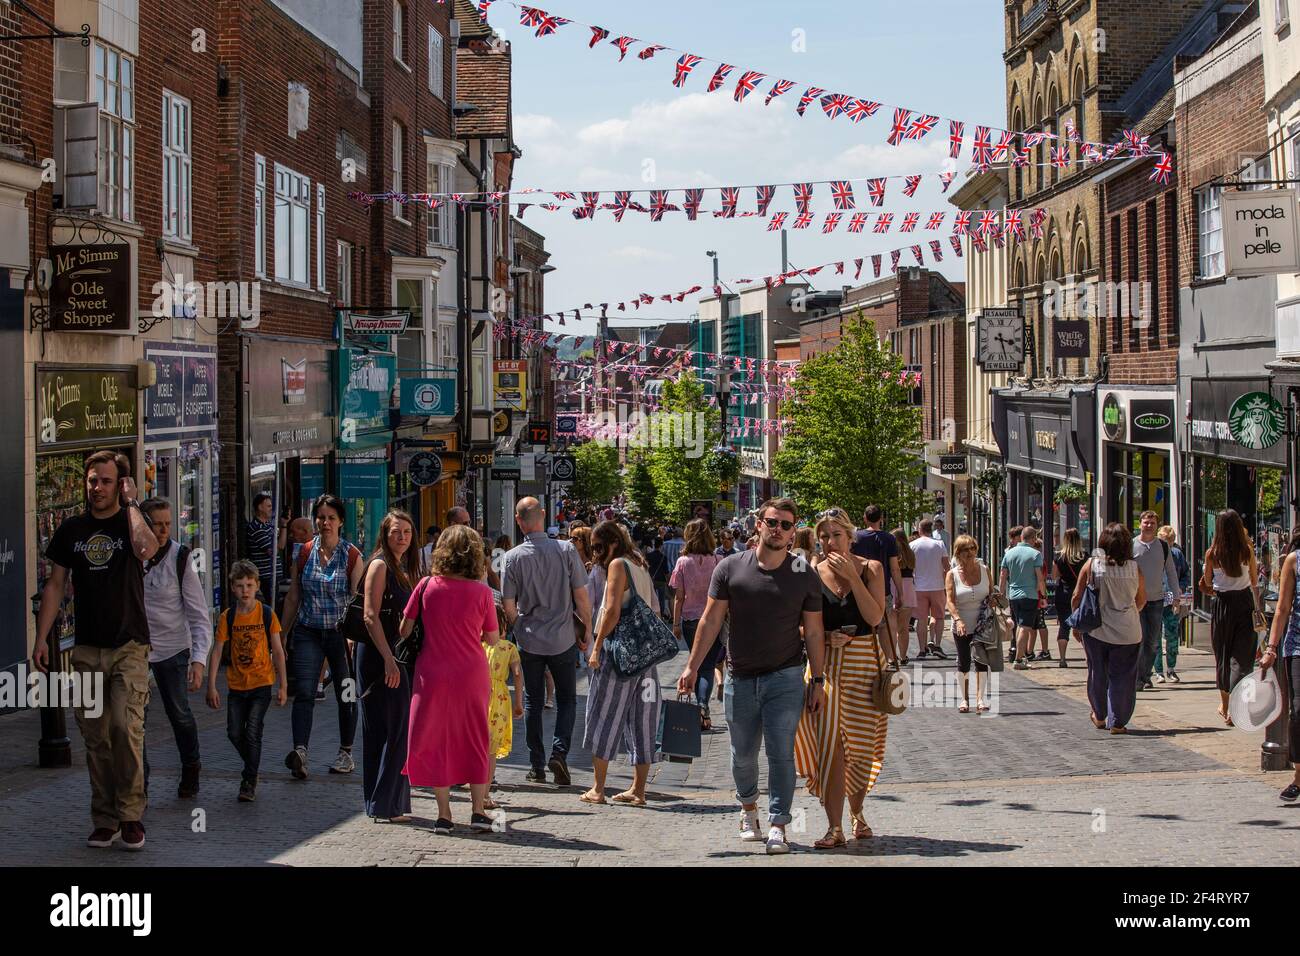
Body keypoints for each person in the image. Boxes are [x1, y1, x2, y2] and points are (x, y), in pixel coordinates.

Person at [677, 498, 826, 855]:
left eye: (786, 525)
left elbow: (815, 631)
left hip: (786, 676)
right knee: (742, 755)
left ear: (793, 533)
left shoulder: (803, 574)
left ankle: (778, 825)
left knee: (780, 753)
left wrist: (817, 679)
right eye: (772, 522)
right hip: (740, 676)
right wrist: (692, 665)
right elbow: (711, 621)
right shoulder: (730, 568)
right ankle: (748, 810)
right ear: (758, 524)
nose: (778, 530)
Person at [33, 450, 159, 850]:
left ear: (119, 484)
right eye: (92, 480)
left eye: (106, 481)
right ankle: (105, 818)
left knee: (125, 728)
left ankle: (131, 814)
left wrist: (132, 502)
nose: (97, 488)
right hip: (87, 648)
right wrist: (40, 639)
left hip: (129, 646)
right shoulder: (72, 529)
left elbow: (147, 550)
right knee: (97, 736)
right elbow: (55, 585)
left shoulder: (130, 521)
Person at [794, 508, 887, 848]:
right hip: (826, 665)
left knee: (861, 749)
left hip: (864, 663)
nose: (830, 541)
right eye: (824, 536)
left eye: (836, 535)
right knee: (830, 747)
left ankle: (857, 811)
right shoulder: (810, 573)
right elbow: (802, 624)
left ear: (850, 536)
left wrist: (853, 576)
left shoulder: (871, 568)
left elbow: (875, 616)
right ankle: (835, 827)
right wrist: (821, 635)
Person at [400, 525, 500, 834]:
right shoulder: (482, 592)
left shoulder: (426, 585)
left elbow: (404, 630)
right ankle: (478, 811)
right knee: (474, 737)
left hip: (432, 672)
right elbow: (493, 638)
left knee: (435, 739)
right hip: (471, 673)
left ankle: (443, 815)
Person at [500, 496, 593, 786]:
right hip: (563, 638)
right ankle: (560, 753)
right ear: (542, 514)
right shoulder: (566, 550)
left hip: (529, 640)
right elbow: (581, 596)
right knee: (566, 699)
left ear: (518, 521)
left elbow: (508, 603)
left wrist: (519, 625)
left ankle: (536, 763)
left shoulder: (512, 557)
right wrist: (587, 629)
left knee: (533, 700)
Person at [279, 494, 363, 778]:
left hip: (341, 636)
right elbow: (293, 597)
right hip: (308, 631)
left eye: (331, 518)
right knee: (304, 691)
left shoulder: (351, 555)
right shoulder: (303, 552)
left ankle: (346, 752)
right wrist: (282, 633)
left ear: (340, 522)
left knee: (346, 693)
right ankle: (300, 751)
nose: (325, 523)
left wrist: (354, 637)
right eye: (321, 518)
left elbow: (357, 599)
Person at [580, 521, 664, 806]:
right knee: (643, 718)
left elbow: (612, 610)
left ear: (612, 543)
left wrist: (597, 646)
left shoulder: (617, 565)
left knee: (604, 713)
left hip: (618, 652)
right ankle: (638, 790)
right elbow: (655, 607)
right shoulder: (638, 562)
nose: (595, 552)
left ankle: (598, 788)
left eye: (597, 546)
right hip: (645, 655)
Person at [140, 498, 211, 799]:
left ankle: (191, 767)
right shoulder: (131, 557)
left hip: (172, 648)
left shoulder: (180, 558)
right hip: (137, 650)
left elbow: (199, 614)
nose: (164, 530)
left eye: (168, 524)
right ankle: (138, 781)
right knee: (134, 718)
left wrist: (198, 660)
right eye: (157, 524)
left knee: (179, 713)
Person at [205, 560, 286, 801]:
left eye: (249, 585)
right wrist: (211, 686)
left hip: (261, 683)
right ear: (232, 587)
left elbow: (278, 650)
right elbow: (217, 650)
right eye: (240, 585)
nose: (245, 590)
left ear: (257, 585)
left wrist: (283, 684)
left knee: (252, 732)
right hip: (236, 685)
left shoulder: (266, 613)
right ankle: (253, 766)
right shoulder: (227, 617)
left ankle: (248, 780)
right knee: (233, 732)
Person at [358, 510, 419, 823]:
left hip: (395, 656)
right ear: (385, 533)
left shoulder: (404, 567)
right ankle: (385, 804)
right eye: (397, 531)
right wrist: (388, 660)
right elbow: (370, 615)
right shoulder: (380, 565)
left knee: (390, 730)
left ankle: (384, 803)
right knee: (392, 730)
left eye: (407, 532)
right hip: (380, 657)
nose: (403, 537)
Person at [1072, 523, 1145, 734]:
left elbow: (1077, 596)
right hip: (1128, 632)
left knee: (1097, 672)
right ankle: (1119, 721)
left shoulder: (1092, 565)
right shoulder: (1135, 568)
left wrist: (1077, 623)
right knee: (1123, 677)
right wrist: (1128, 612)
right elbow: (1141, 600)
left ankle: (1099, 714)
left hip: (1097, 630)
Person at [1200, 509, 1261, 726]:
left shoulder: (1212, 553)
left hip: (1222, 605)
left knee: (1223, 655)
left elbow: (1207, 582)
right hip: (1244, 604)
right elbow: (1254, 580)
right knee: (1242, 658)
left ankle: (1225, 705)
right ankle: (1234, 706)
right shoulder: (1247, 550)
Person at [670, 519, 723, 729]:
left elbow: (678, 597)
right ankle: (703, 707)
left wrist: (675, 623)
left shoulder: (682, 562)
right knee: (708, 666)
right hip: (713, 619)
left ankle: (699, 708)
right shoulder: (718, 560)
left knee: (696, 662)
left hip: (691, 620)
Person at [1262, 542, 1300, 802]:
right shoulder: (1294, 560)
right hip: (1297, 646)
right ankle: (1299, 777)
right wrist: (1271, 648)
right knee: (1298, 712)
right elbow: (1283, 608)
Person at [1133, 510, 1183, 691]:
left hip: (1156, 600)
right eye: (1146, 522)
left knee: (1153, 642)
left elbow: (1171, 572)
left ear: (1157, 525)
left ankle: (1145, 675)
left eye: (1152, 523)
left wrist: (1176, 596)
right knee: (1138, 639)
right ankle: (1139, 678)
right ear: (1140, 524)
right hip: (1136, 600)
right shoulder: (1132, 546)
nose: (1149, 525)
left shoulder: (1163, 546)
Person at [946, 534, 996, 712]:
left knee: (982, 661)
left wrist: (994, 600)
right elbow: (950, 602)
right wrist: (958, 620)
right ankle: (964, 699)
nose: (970, 552)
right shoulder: (952, 575)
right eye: (966, 549)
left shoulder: (984, 570)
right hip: (962, 624)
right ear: (958, 553)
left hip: (982, 624)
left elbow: (991, 593)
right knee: (964, 661)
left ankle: (980, 699)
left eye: (973, 548)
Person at [485, 624, 524, 807]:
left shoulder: (478, 644)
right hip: (499, 698)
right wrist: (518, 703)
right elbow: (517, 673)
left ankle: (473, 783)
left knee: (477, 745)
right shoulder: (509, 647)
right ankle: (485, 792)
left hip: (478, 694)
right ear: (504, 627)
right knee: (491, 748)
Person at [1000, 526, 1047, 670]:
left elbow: (1003, 575)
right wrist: (1044, 596)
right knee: (1024, 627)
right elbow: (1040, 578)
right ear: (1033, 538)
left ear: (1021, 538)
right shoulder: (1035, 554)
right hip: (1030, 595)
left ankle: (1020, 656)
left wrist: (1001, 595)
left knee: (1019, 625)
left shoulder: (1009, 553)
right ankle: (1019, 659)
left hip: (1013, 595)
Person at [910, 518, 951, 660]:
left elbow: (910, 567)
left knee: (921, 620)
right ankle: (937, 645)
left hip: (919, 587)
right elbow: (947, 567)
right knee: (939, 617)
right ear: (931, 529)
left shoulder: (913, 545)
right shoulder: (939, 544)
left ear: (920, 529)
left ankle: (922, 650)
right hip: (937, 586)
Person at [1154, 525, 1190, 683]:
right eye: (1163, 540)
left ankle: (1171, 668)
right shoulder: (1152, 554)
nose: (1166, 543)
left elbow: (1185, 575)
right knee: (1154, 638)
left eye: (1169, 540)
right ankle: (1158, 671)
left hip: (1171, 600)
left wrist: (1180, 589)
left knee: (1172, 636)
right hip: (1154, 599)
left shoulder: (1177, 555)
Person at [1052, 528, 1088, 669]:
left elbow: (1054, 576)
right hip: (1081, 594)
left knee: (1064, 626)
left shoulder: (1059, 557)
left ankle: (1062, 658)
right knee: (1084, 626)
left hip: (1063, 594)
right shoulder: (1084, 556)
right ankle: (1088, 657)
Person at [245, 492, 284, 602]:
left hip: (274, 574)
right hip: (266, 576)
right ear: (260, 507)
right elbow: (272, 551)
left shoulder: (268, 526)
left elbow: (281, 545)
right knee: (272, 604)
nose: (271, 509)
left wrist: (284, 525)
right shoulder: (257, 528)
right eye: (269, 506)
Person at [890, 528, 918, 663]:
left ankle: (892, 657)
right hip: (908, 587)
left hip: (893, 585)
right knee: (904, 628)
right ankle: (903, 656)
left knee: (892, 627)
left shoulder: (892, 552)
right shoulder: (911, 553)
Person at [645, 536, 670, 618]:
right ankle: (661, 615)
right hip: (661, 580)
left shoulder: (648, 555)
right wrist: (668, 580)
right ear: (661, 545)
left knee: (651, 598)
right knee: (661, 599)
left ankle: (651, 615)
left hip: (650, 579)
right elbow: (666, 571)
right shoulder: (663, 557)